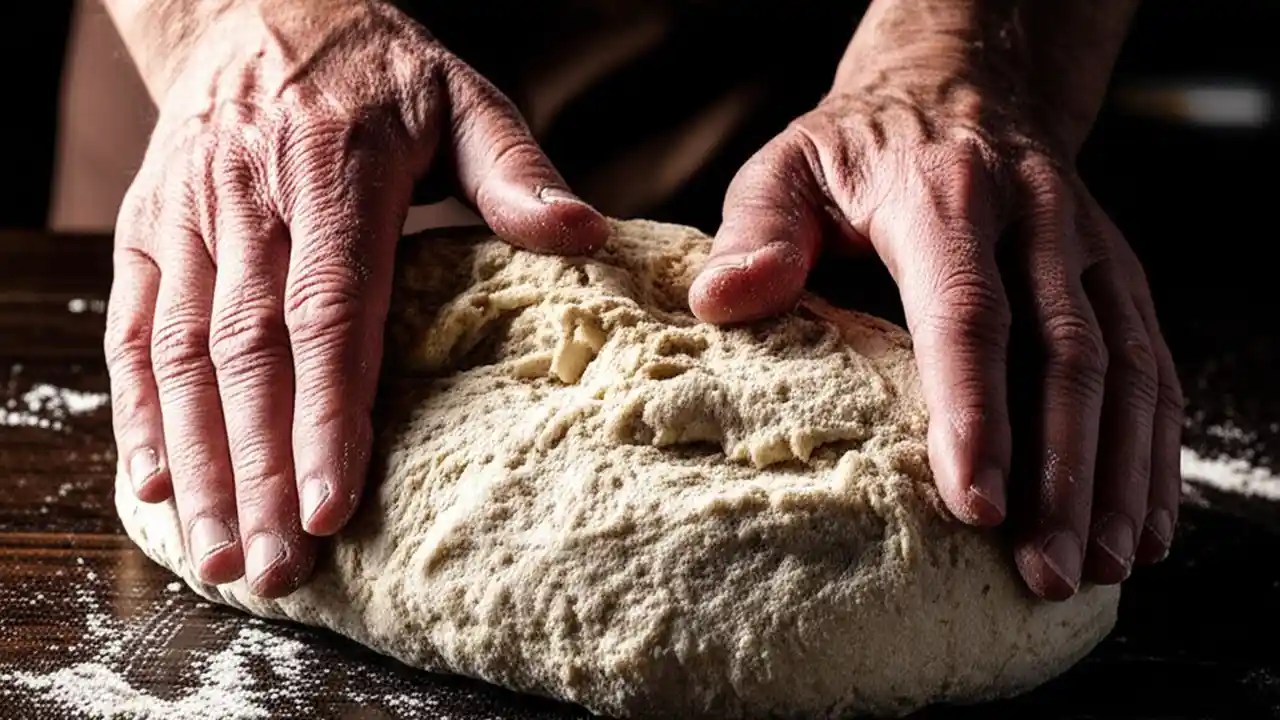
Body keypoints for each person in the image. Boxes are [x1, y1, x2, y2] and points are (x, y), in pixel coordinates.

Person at [100, 0, 1184, 602]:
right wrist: (221, 22)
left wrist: (958, 48)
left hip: (822, 120)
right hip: (253, 132)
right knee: (241, 353)